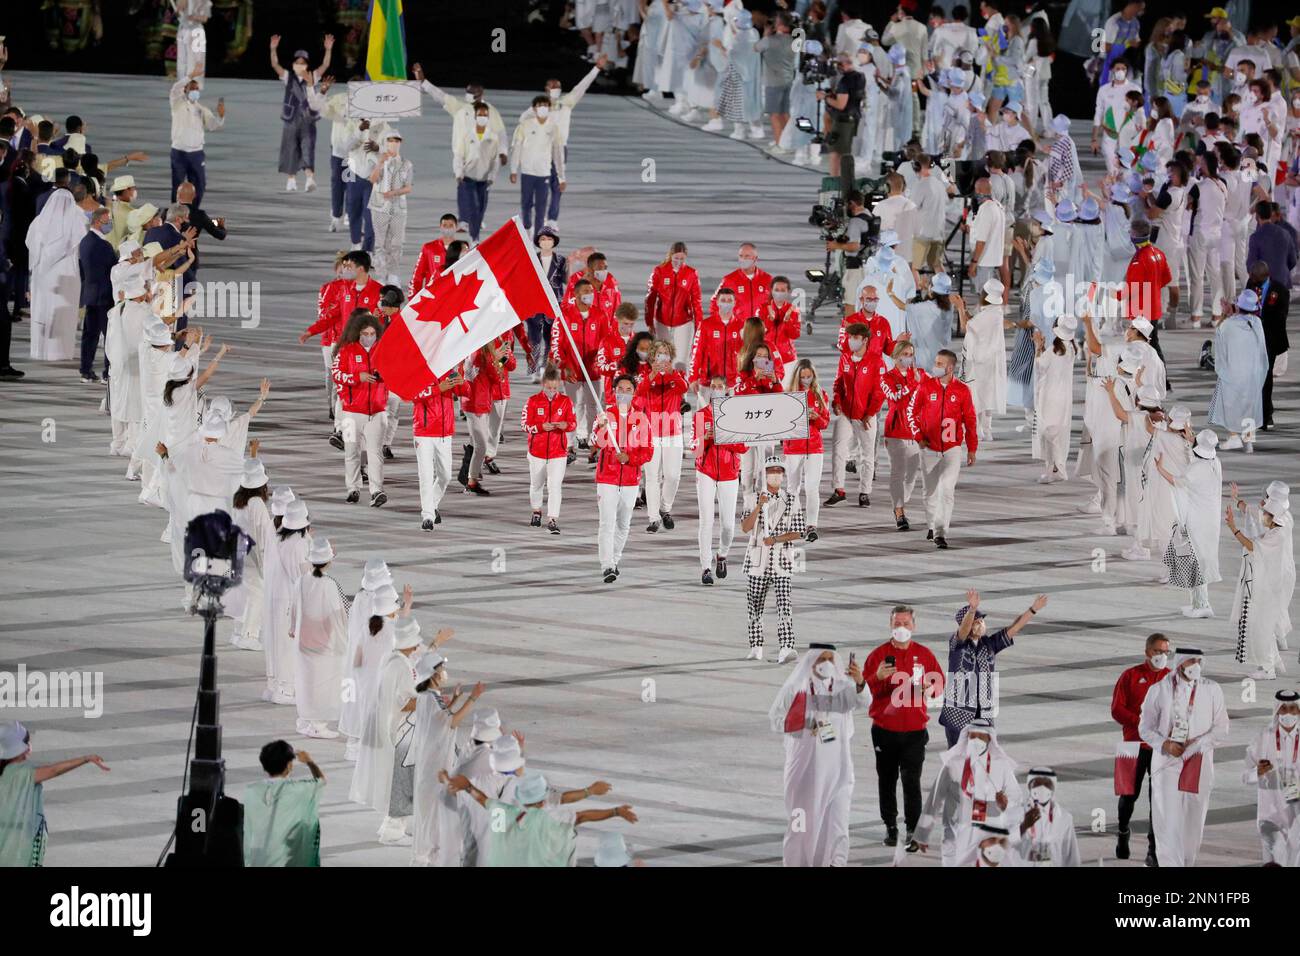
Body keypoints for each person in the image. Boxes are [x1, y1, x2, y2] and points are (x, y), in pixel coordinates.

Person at [769, 642, 870, 866]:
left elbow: (865, 702)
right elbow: (775, 720)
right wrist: (806, 723)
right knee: (801, 824)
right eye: (820, 659)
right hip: (805, 772)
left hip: (839, 769)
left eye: (829, 659)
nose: (825, 664)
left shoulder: (843, 688)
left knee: (837, 824)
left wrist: (860, 681)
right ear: (811, 662)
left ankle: (836, 862)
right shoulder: (796, 688)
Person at [1138, 647, 1230, 867]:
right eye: (1191, 661)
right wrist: (1165, 744)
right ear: (1180, 663)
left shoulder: (1212, 689)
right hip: (1167, 763)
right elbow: (1145, 728)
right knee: (1167, 821)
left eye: (1199, 660)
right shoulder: (1158, 690)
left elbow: (1222, 728)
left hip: (1198, 763)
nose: (1196, 665)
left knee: (1192, 823)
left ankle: (1187, 863)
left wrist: (1196, 745)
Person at [861, 605, 943, 851]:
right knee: (886, 780)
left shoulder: (924, 655)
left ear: (914, 626)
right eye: (897, 623)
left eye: (906, 624)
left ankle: (911, 828)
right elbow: (861, 691)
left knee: (912, 781)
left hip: (915, 731)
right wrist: (876, 676)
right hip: (884, 730)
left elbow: (939, 682)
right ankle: (890, 825)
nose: (901, 628)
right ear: (890, 625)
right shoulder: (878, 655)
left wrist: (930, 689)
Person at [445, 768, 637, 867]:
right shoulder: (552, 819)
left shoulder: (505, 813)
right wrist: (615, 811)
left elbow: (484, 800)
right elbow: (583, 816)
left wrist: (468, 786)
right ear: (544, 799)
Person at [939, 590, 1049, 747]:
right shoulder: (957, 645)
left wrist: (1033, 609)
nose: (981, 623)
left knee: (984, 759)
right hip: (958, 715)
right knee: (958, 760)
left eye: (981, 620)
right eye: (976, 621)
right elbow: (963, 632)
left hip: (984, 714)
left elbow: (1014, 628)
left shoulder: (989, 645)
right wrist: (971, 610)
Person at [350, 614, 423, 845]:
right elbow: (405, 701)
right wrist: (431, 699)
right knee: (399, 778)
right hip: (396, 730)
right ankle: (393, 830)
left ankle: (391, 825)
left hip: (385, 727)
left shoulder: (391, 659)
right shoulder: (400, 666)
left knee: (392, 776)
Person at [914, 718, 1023, 867]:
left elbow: (1016, 796)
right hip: (955, 835)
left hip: (987, 837)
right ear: (966, 736)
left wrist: (1006, 803)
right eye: (972, 736)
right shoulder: (953, 764)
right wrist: (922, 834)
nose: (976, 740)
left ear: (989, 738)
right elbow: (935, 799)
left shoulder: (1001, 765)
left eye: (981, 736)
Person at [0, 721, 110, 867]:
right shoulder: (25, 774)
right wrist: (86, 758)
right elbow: (54, 770)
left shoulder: (5, 772)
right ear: (23, 746)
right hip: (20, 846)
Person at [409, 649, 482, 867]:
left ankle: (424, 854)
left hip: (428, 764)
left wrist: (455, 700)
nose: (444, 672)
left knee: (427, 811)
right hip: (435, 766)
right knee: (434, 812)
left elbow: (440, 719)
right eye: (441, 669)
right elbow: (451, 722)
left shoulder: (426, 697)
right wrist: (472, 698)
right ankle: (431, 856)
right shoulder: (432, 699)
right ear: (432, 674)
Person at [906, 348, 977, 548]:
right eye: (935, 363)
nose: (935, 367)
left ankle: (940, 532)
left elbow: (970, 421)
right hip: (929, 447)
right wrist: (918, 436)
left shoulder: (962, 390)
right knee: (930, 491)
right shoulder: (925, 387)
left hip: (952, 448)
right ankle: (931, 525)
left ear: (950, 367)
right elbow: (911, 412)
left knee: (947, 490)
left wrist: (972, 448)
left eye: (939, 364)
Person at [1112, 633, 1171, 865]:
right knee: (1128, 795)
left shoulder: (1171, 678)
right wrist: (1141, 723)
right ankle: (1123, 831)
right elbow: (1117, 710)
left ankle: (1152, 849)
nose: (1162, 656)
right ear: (1147, 652)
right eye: (1158, 651)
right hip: (1133, 745)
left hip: (1161, 748)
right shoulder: (1130, 676)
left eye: (1166, 652)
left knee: (1156, 798)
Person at [740, 456, 806, 663]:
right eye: (771, 471)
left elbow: (799, 531)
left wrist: (776, 539)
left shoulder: (792, 499)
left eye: (779, 471)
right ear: (764, 474)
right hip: (757, 560)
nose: (775, 474)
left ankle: (787, 647)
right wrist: (759, 506)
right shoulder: (752, 498)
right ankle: (756, 645)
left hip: (782, 560)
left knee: (784, 605)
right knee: (754, 606)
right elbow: (745, 528)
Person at [594, 373, 654, 582]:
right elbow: (596, 444)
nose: (624, 393)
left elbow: (648, 451)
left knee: (623, 524)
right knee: (607, 523)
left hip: (630, 480)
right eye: (621, 389)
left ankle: (615, 559)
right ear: (614, 392)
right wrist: (600, 430)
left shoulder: (642, 419)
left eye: (629, 390)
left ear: (634, 393)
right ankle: (607, 565)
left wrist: (629, 458)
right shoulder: (605, 415)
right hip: (607, 478)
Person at [1227, 492, 1291, 680]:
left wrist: (1233, 528)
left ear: (1274, 517)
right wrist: (1238, 501)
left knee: (1261, 628)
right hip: (1265, 585)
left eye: (1265, 513)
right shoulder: (1276, 530)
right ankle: (1274, 662)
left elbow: (1252, 546)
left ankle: (1267, 669)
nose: (1262, 515)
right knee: (1265, 626)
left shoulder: (1277, 535)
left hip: (1266, 588)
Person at [292, 537, 349, 739]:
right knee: (324, 682)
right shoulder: (329, 584)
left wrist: (292, 629)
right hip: (325, 643)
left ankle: (305, 719)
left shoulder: (301, 580)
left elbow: (294, 607)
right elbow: (337, 615)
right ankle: (318, 724)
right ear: (329, 561)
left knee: (305, 679)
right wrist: (345, 640)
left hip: (303, 639)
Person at [332, 312, 389, 507]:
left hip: (377, 412)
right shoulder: (346, 351)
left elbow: (394, 373)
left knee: (375, 453)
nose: (369, 336)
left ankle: (376, 491)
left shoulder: (383, 351)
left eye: (372, 333)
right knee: (351, 452)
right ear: (358, 333)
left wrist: (385, 376)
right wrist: (358, 377)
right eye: (365, 333)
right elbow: (336, 374)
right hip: (351, 412)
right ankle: (353, 489)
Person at [693, 372, 743, 586]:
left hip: (729, 473)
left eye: (720, 386)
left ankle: (722, 554)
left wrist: (723, 436)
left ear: (727, 389)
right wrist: (704, 440)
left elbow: (743, 445)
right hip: (706, 471)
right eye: (713, 386)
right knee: (706, 521)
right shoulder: (701, 414)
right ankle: (705, 567)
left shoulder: (736, 415)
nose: (716, 389)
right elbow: (694, 449)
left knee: (728, 525)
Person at [25, 187, 85, 361]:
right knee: (62, 313)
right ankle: (61, 351)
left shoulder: (39, 222)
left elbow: (30, 243)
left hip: (41, 274)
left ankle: (40, 349)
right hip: (65, 275)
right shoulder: (76, 220)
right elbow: (82, 247)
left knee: (42, 309)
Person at [1242, 689, 1300, 866]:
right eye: (1283, 709)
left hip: (1297, 817)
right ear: (1276, 711)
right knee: (1278, 853)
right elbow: (1245, 776)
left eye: (1293, 709)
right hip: (1270, 818)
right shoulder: (1263, 738)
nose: (1288, 713)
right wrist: (1257, 773)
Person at [243, 742, 325, 867]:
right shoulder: (299, 789)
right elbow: (321, 780)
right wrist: (309, 761)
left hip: (257, 860)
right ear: (289, 765)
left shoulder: (251, 791)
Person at [269, 34, 333, 193]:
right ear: (293, 64)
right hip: (290, 118)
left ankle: (310, 178)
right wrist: (273, 49)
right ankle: (291, 179)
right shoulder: (287, 77)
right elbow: (275, 64)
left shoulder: (312, 77)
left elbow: (325, 65)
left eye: (303, 63)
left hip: (308, 119)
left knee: (307, 147)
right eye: (297, 62)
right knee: (290, 147)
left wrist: (328, 50)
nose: (300, 65)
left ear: (307, 65)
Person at [1209, 288, 1269, 451]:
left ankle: (1234, 436)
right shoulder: (1257, 323)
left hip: (1234, 373)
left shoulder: (1227, 325)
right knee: (1250, 406)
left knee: (1231, 405)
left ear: (1237, 306)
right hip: (1254, 373)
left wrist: (1225, 315)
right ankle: (1248, 441)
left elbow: (1218, 351)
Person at [637, 341, 688, 531]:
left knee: (673, 476)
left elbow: (683, 389)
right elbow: (639, 392)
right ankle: (653, 518)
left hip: (672, 431)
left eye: (666, 353)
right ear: (652, 356)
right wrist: (653, 374)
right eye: (659, 353)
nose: (662, 357)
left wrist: (671, 373)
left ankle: (665, 508)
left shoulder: (677, 374)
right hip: (650, 432)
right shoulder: (644, 375)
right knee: (651, 477)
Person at [523, 364, 577, 533]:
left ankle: (553, 518)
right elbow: (524, 425)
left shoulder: (566, 401)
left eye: (555, 387)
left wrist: (565, 425)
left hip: (558, 452)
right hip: (537, 451)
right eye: (548, 387)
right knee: (536, 484)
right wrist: (540, 427)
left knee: (555, 486)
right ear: (543, 384)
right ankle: (536, 511)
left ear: (559, 384)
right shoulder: (532, 401)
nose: (552, 391)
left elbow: (573, 423)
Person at [411, 365, 466, 532]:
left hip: (444, 432)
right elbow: (413, 395)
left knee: (445, 476)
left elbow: (466, 392)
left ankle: (432, 504)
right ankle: (427, 516)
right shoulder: (419, 369)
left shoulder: (450, 369)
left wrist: (462, 383)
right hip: (423, 432)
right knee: (426, 475)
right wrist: (438, 389)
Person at [782, 360, 830, 542]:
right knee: (792, 488)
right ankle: (795, 523)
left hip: (815, 448)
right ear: (797, 376)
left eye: (809, 376)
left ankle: (812, 525)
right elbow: (782, 423)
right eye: (803, 377)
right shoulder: (788, 396)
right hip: (794, 448)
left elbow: (825, 423)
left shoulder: (820, 395)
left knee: (812, 488)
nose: (806, 380)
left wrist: (817, 417)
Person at [644, 241, 702, 383]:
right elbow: (650, 298)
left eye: (682, 259)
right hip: (662, 320)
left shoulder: (691, 273)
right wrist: (649, 321)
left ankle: (681, 395)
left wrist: (699, 326)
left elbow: (697, 301)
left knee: (681, 360)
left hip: (683, 321)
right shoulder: (659, 271)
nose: (679, 262)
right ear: (670, 256)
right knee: (662, 357)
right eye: (676, 258)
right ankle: (660, 388)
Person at [1031, 315, 1079, 483]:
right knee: (1057, 433)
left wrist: (1038, 346)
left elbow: (1039, 367)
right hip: (1064, 396)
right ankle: (1055, 468)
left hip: (1050, 395)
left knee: (1049, 431)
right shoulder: (1071, 348)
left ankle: (1056, 468)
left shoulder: (1054, 350)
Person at [168, 64, 224, 206]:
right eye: (192, 89)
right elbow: (175, 88)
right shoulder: (177, 103)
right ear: (185, 90)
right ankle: (175, 216)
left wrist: (221, 116)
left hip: (196, 153)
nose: (194, 91)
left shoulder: (202, 109)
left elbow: (213, 125)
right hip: (179, 152)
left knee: (200, 185)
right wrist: (190, 75)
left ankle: (192, 214)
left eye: (197, 89)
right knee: (178, 186)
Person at [510, 97, 566, 239]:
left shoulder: (553, 127)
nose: (543, 108)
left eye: (546, 105)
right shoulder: (525, 125)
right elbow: (517, 147)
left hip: (544, 173)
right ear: (534, 108)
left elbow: (558, 154)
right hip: (527, 172)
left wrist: (561, 177)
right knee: (526, 204)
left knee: (541, 208)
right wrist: (513, 169)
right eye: (540, 105)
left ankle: (537, 238)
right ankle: (527, 227)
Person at [962, 277, 1009, 442]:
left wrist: (960, 308)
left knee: (977, 395)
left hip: (980, 360)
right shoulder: (996, 312)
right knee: (987, 395)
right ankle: (987, 429)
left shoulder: (989, 315)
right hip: (991, 360)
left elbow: (966, 326)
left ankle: (978, 430)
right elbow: (974, 323)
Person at [366, 132, 413, 287]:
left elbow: (408, 187)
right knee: (381, 243)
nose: (393, 143)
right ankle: (381, 274)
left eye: (396, 141)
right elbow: (372, 179)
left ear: (400, 143)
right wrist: (380, 163)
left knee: (397, 242)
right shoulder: (376, 160)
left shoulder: (406, 163)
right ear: (385, 143)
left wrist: (393, 193)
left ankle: (393, 274)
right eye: (390, 141)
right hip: (379, 207)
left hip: (398, 208)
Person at [1013, 767, 1081, 866]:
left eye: (1046, 784)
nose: (1042, 788)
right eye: (1037, 784)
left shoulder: (1065, 818)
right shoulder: (1017, 814)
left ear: (1053, 789)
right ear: (1029, 787)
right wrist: (1023, 827)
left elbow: (1071, 855)